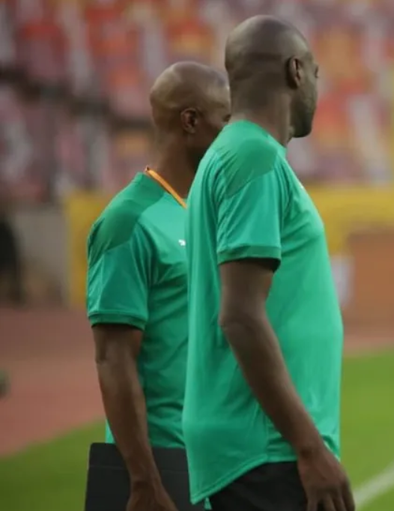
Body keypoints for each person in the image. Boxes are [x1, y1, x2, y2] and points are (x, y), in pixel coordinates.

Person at [182, 15, 353, 511]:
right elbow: (240, 314)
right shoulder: (253, 159)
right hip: (267, 448)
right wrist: (308, 446)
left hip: (259, 443)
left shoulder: (232, 154)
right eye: (317, 74)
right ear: (296, 71)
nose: (318, 88)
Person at [86, 61, 230, 511]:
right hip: (161, 469)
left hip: (209, 458)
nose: (234, 134)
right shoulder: (128, 223)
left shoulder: (203, 212)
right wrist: (143, 481)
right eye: (225, 119)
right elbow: (113, 358)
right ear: (191, 121)